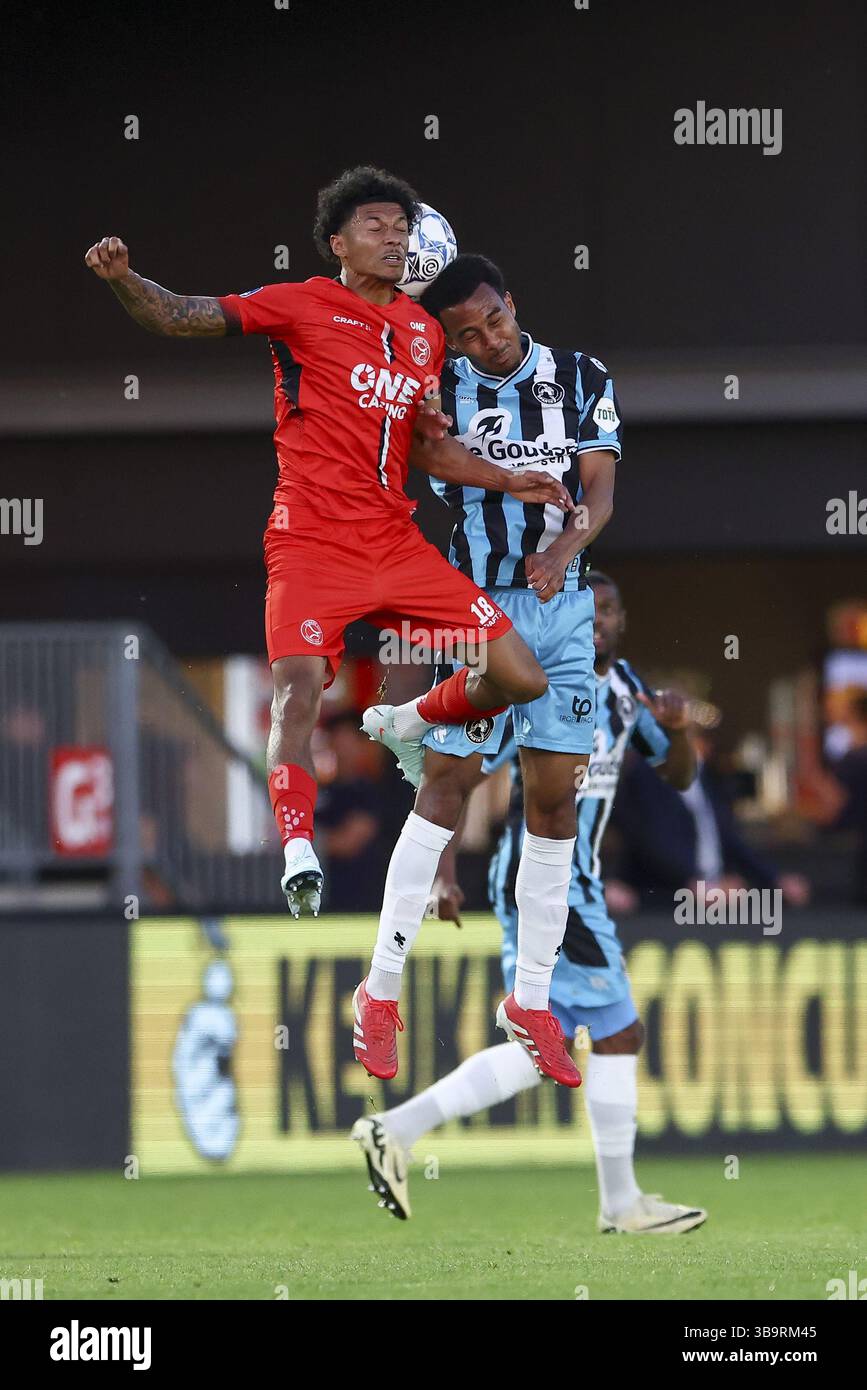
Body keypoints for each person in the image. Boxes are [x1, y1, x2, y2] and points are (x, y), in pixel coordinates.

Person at [84, 167, 571, 923]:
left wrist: (515, 480)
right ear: (338, 242)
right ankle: (297, 850)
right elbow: (181, 316)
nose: (392, 237)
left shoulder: (421, 333)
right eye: (375, 226)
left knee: (521, 676)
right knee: (297, 693)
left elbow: (430, 453)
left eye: (401, 228)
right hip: (311, 542)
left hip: (395, 540)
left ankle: (407, 721)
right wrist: (123, 280)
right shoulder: (300, 305)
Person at [354, 571, 708, 1236]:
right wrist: (444, 872)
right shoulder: (542, 683)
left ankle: (394, 1128)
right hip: (545, 879)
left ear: (622, 620)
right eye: (587, 608)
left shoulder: (628, 692)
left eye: (608, 609)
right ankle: (620, 1203)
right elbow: (461, 777)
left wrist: (681, 730)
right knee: (617, 1031)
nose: (597, 620)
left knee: (553, 1042)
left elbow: (678, 774)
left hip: (577, 884)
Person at [359, 254, 618, 1085]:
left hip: (566, 606)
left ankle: (529, 1000)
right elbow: (427, 462)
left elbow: (600, 489)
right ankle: (382, 986)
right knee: (450, 782)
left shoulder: (580, 375)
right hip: (478, 602)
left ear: (514, 304)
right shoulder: (437, 386)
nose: (485, 340)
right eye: (465, 333)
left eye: (493, 321)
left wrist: (568, 547)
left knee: (552, 799)